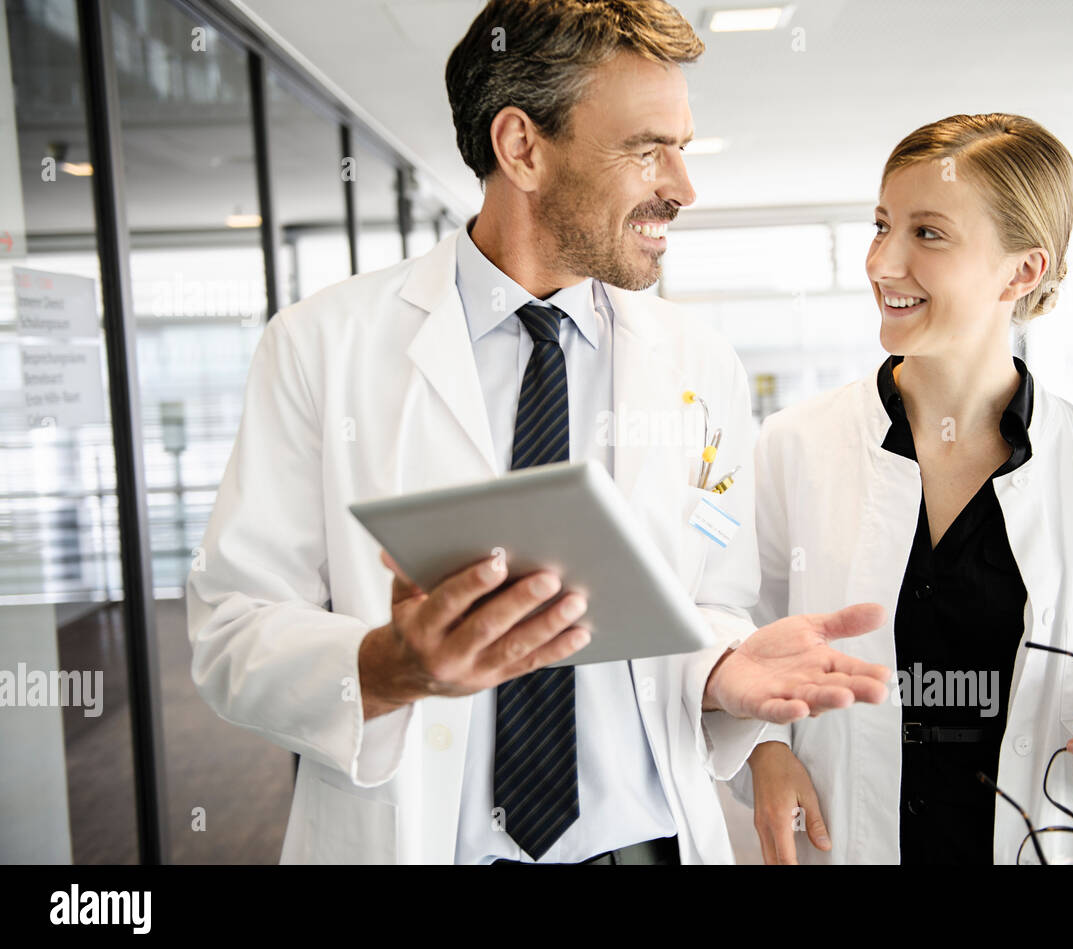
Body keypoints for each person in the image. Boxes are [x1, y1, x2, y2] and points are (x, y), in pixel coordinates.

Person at [186, 0, 889, 865]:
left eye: (682, 147)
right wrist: (384, 664)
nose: (682, 185)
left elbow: (709, 598)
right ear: (521, 147)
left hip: (649, 847)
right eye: (646, 149)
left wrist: (719, 668)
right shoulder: (321, 346)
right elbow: (230, 629)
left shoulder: (701, 367)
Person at [733, 113, 1073, 864]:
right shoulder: (794, 445)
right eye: (882, 226)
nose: (882, 261)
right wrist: (764, 751)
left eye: (928, 234)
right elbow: (744, 631)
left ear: (1021, 271)